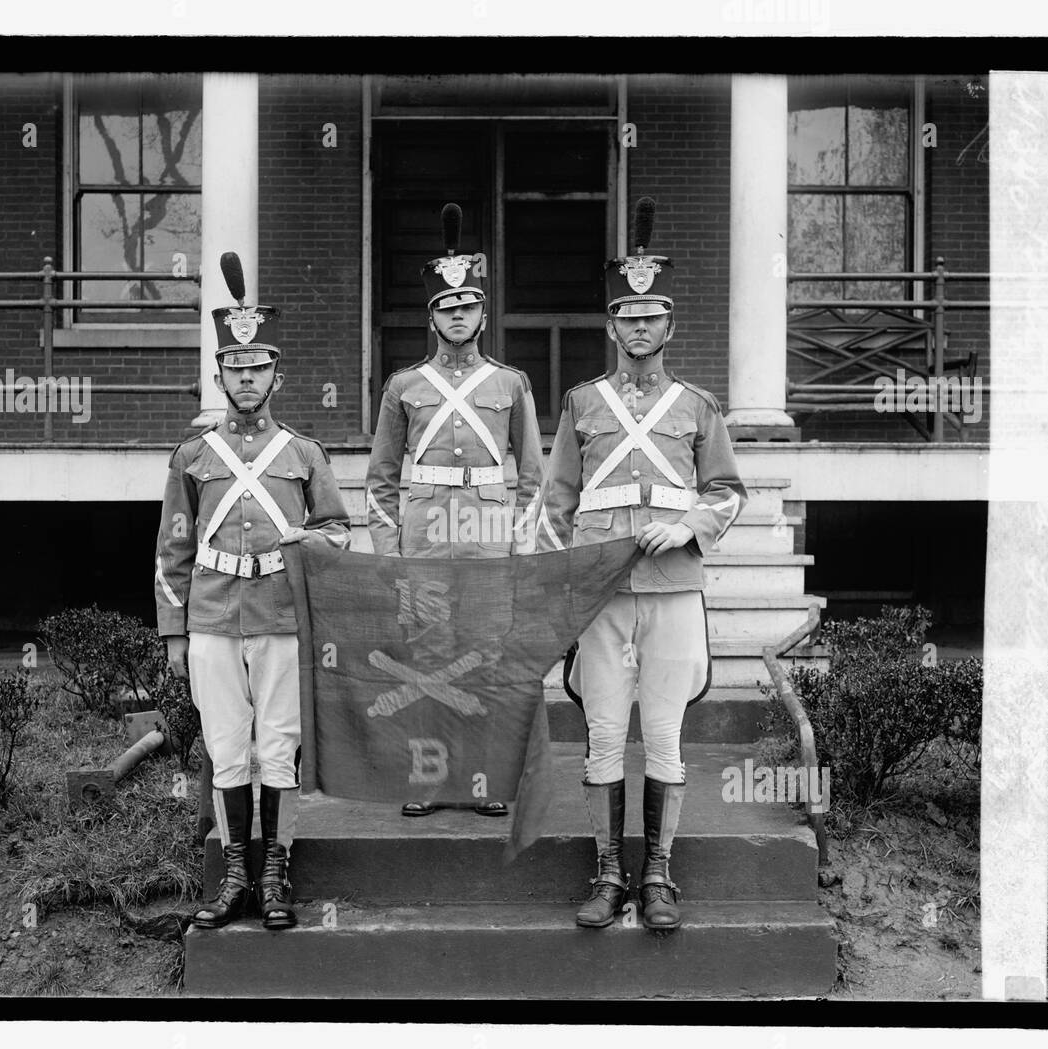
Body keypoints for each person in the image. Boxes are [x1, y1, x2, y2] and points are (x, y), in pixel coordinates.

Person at [537, 198, 747, 930]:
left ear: (669, 325)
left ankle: (658, 874)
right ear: (612, 325)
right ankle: (607, 872)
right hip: (599, 594)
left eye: (651, 316)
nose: (638, 329)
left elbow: (727, 493)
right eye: (626, 316)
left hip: (671, 589)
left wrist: (685, 524)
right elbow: (554, 504)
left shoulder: (697, 407)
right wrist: (561, 587)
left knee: (661, 732)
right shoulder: (581, 404)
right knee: (601, 734)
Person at [155, 252, 350, 930]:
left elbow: (338, 532)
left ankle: (276, 872)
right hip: (211, 616)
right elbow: (173, 548)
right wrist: (175, 632)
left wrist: (310, 542)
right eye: (235, 369)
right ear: (219, 376)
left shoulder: (303, 453)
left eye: (258, 367)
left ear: (276, 375)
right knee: (226, 747)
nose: (247, 379)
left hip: (279, 617)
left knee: (278, 748)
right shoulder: (193, 455)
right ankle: (235, 871)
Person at [365, 203, 544, 817]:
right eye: (447, 306)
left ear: (483, 314)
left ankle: (484, 780)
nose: (458, 315)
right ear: (432, 315)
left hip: (490, 544)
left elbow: (535, 481)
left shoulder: (511, 385)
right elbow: (380, 483)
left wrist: (520, 545)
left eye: (468, 305)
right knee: (428, 661)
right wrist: (391, 553)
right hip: (425, 547)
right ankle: (430, 778)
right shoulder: (403, 386)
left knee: (486, 660)